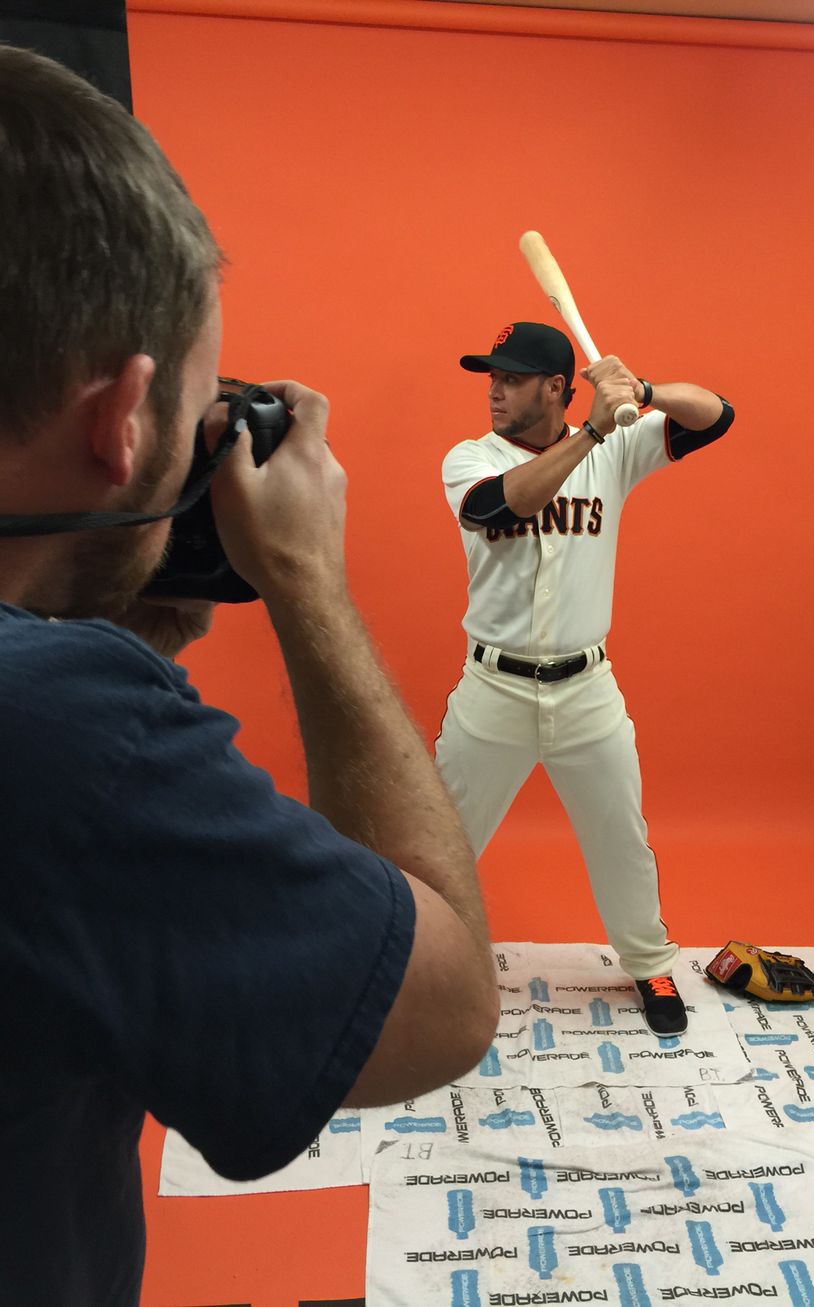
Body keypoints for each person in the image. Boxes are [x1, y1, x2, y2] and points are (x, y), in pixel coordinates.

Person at [0, 44, 497, 1307]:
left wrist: (109, 595)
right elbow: (441, 1006)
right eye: (201, 406)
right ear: (123, 420)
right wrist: (309, 583)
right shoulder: (61, 735)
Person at [436, 321, 734, 1038]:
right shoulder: (471, 456)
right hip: (493, 689)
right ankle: (405, 960)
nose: (495, 388)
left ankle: (649, 959)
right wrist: (592, 434)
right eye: (492, 375)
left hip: (586, 688)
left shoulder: (620, 443)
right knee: (437, 841)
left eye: (510, 376)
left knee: (620, 838)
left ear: (555, 388)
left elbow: (718, 413)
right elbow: (499, 506)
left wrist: (645, 390)